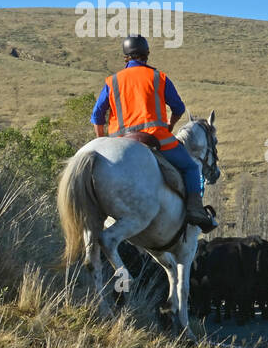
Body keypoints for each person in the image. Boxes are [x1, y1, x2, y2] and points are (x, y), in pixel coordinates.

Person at [90, 34, 217, 232]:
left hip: (119, 141)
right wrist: (169, 125)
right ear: (147, 54)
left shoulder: (112, 81)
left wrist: (102, 141)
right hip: (155, 138)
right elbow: (178, 107)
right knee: (191, 167)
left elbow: (97, 115)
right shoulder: (159, 78)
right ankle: (195, 211)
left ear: (126, 56)